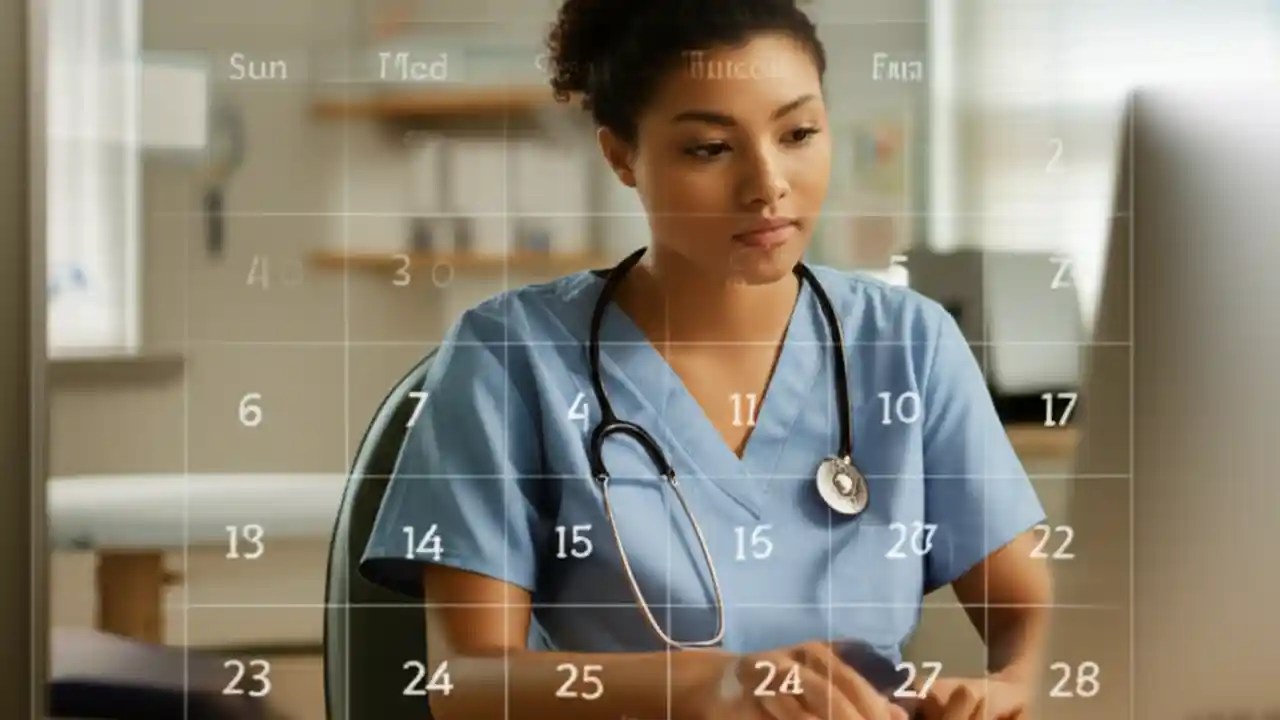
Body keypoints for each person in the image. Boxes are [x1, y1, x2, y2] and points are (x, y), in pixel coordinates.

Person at [359, 1, 1053, 718]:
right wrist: (705, 686)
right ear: (622, 156)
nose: (767, 183)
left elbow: (1035, 622)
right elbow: (466, 682)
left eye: (799, 133)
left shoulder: (909, 345)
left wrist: (1005, 689)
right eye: (710, 149)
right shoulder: (513, 356)